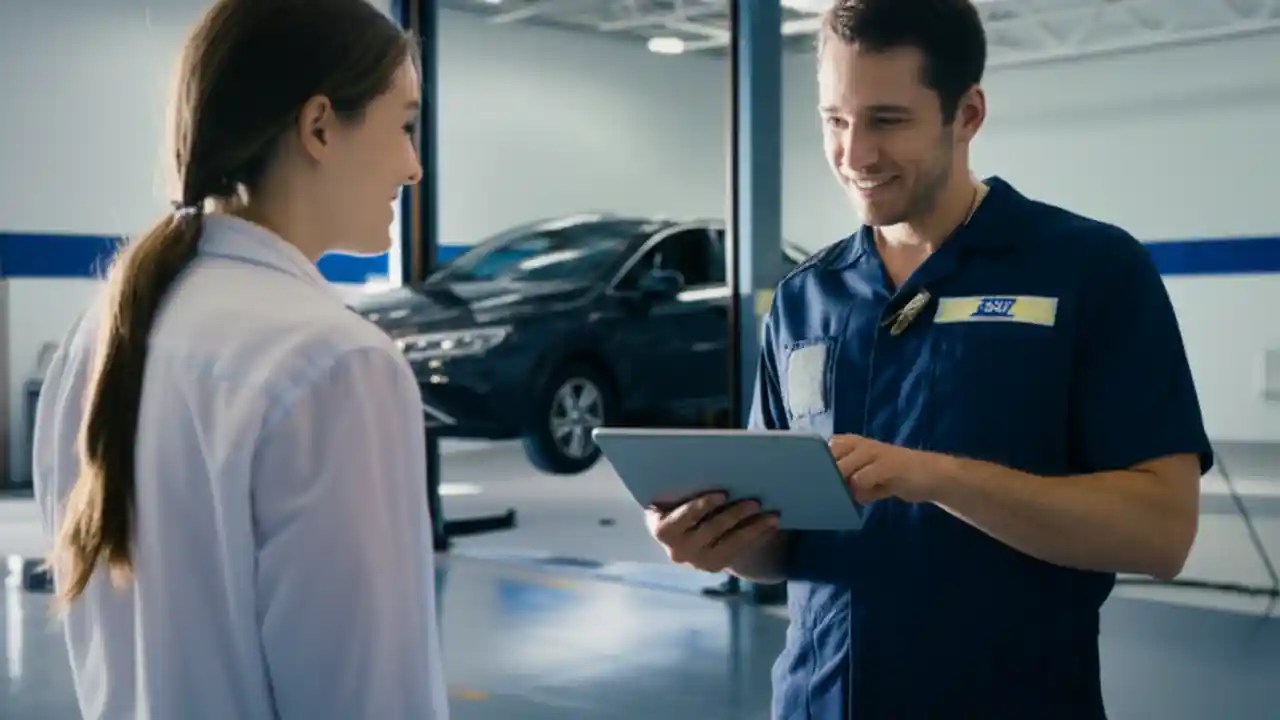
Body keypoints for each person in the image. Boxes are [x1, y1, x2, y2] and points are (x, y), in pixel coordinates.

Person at [645, 0, 1213, 717]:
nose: (854, 155)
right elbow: (782, 550)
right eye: (835, 119)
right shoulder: (804, 299)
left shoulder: (1090, 271)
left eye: (887, 120)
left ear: (967, 113)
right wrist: (716, 540)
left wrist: (936, 476)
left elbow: (1161, 534)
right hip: (820, 700)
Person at [32, 1, 449, 717]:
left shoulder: (100, 335)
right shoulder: (337, 362)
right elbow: (369, 695)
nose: (413, 167)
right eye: (404, 125)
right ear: (319, 125)